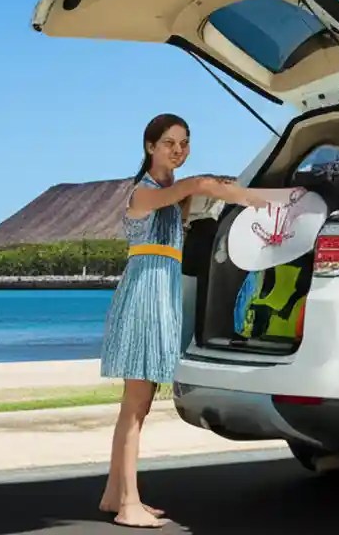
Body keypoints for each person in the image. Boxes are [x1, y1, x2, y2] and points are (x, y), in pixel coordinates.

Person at [98, 113, 267, 529]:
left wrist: (252, 198)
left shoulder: (171, 197)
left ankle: (114, 493)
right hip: (145, 296)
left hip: (161, 294)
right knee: (135, 405)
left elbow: (199, 190)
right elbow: (196, 185)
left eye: (184, 143)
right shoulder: (145, 192)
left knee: (138, 404)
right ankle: (128, 504)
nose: (179, 150)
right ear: (150, 147)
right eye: (170, 143)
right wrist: (254, 198)